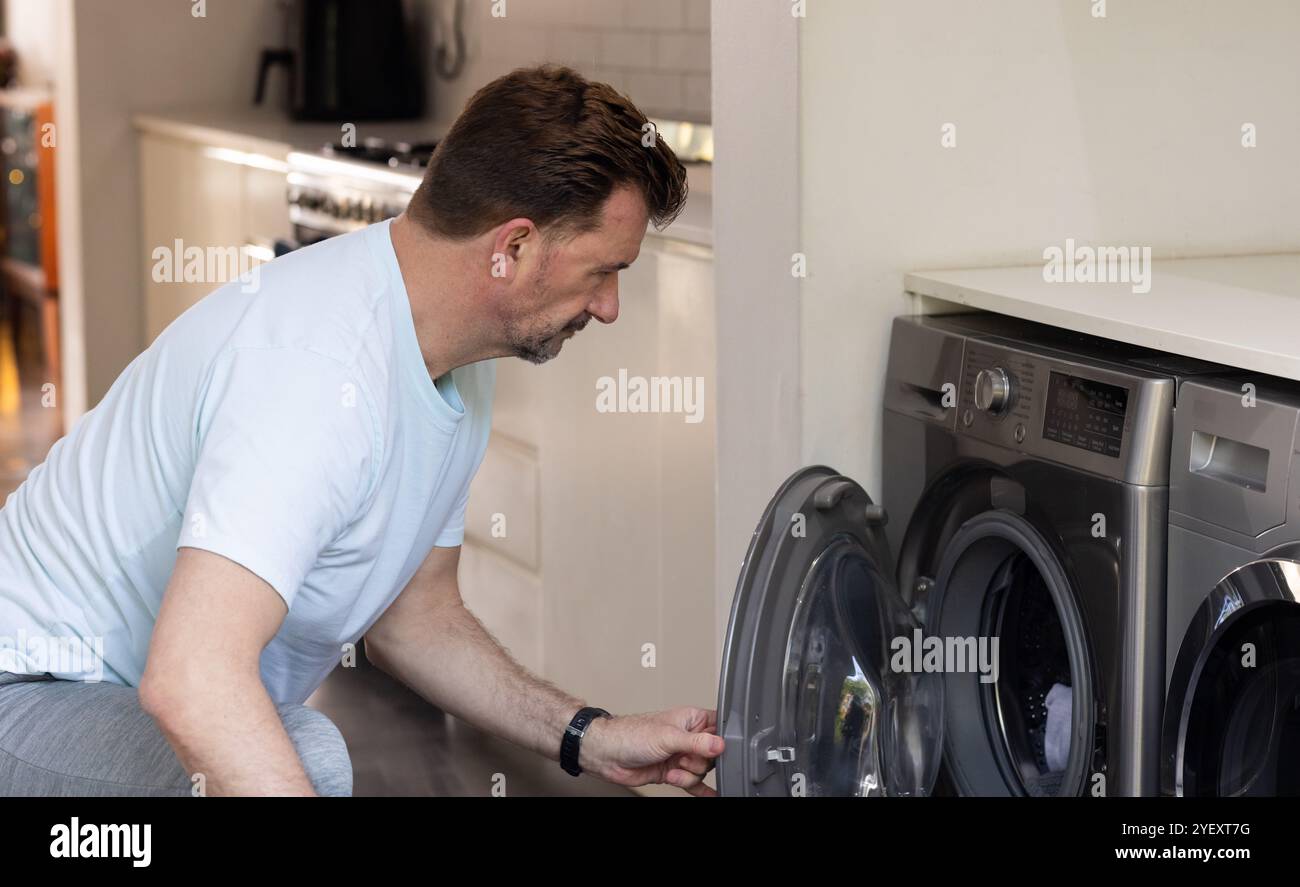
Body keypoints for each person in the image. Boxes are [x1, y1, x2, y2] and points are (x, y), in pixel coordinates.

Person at [0, 65, 722, 797]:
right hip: (26, 691)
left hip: (110, 696)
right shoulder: (318, 372)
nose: (610, 307)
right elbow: (192, 679)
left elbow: (418, 618)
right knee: (301, 753)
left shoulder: (454, 357)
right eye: (604, 270)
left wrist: (590, 738)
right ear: (514, 246)